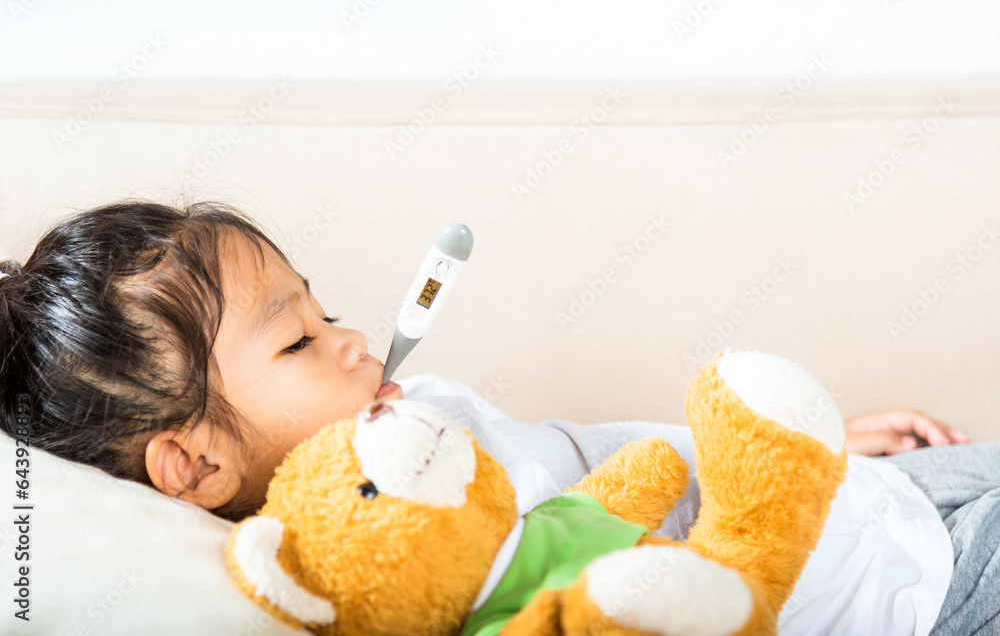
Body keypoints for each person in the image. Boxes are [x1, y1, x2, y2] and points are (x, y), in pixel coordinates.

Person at [0, 199, 989, 634]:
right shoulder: (402, 569)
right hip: (896, 602)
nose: (349, 341)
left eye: (325, 310)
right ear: (196, 467)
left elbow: (617, 460)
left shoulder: (413, 417)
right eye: (297, 344)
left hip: (869, 498)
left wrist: (810, 450)